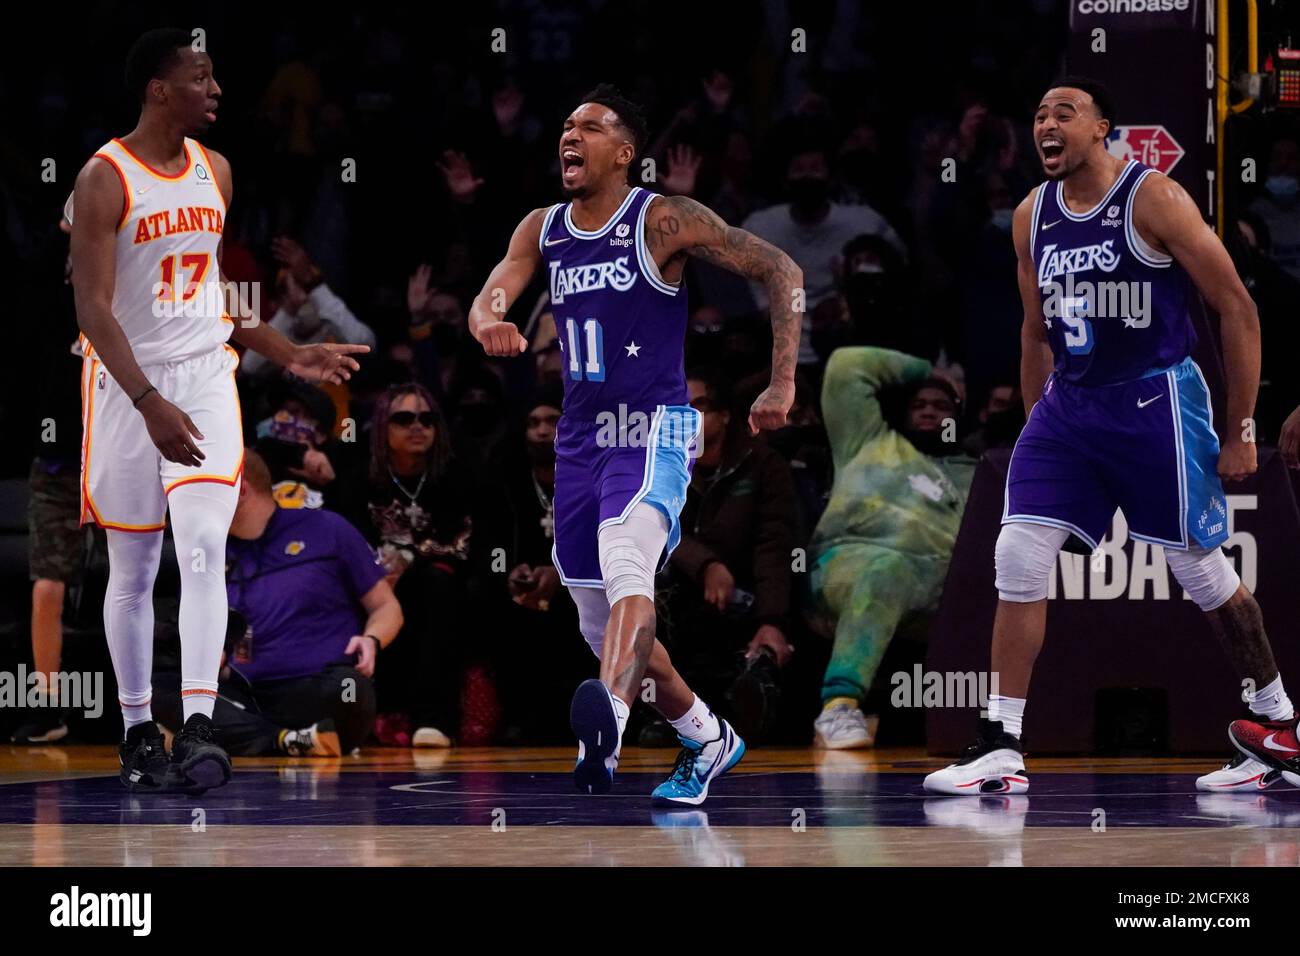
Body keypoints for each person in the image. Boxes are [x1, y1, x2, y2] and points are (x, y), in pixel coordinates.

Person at [925, 78, 1293, 796]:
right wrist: (1039, 423)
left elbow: (1236, 306)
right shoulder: (1031, 215)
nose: (1046, 125)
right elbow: (1034, 330)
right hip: (1071, 407)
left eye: (1065, 112)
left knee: (1199, 568)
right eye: (1037, 116)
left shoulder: (1152, 197)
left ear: (1102, 130)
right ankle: (1001, 741)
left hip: (1155, 398)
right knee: (1018, 550)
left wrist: (1240, 428)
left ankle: (1277, 721)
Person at [468, 84, 803, 804]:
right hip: (579, 441)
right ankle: (708, 736)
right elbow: (494, 290)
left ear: (625, 153)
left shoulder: (663, 220)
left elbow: (782, 269)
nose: (570, 135)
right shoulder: (542, 227)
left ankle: (609, 726)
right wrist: (489, 320)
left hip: (653, 430)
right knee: (612, 636)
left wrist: (780, 385)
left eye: (589, 126)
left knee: (629, 574)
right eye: (565, 124)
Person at [69, 29, 367, 794]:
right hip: (127, 382)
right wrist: (146, 401)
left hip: (204, 375)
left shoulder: (217, 171)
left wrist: (291, 351)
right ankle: (139, 730)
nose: (217, 89)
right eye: (202, 77)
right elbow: (93, 311)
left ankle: (198, 726)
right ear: (159, 90)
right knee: (134, 566)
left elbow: (211, 297)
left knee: (202, 548)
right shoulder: (104, 178)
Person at [154, 450, 400, 756]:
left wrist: (372, 639)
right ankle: (284, 740)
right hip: (243, 693)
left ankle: (243, 737)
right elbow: (196, 627)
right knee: (158, 688)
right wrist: (206, 653)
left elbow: (386, 607)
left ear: (239, 489)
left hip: (316, 691)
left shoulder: (327, 529)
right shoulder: (205, 552)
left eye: (203, 493)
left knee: (350, 688)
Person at [811, 348, 975, 747]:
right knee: (887, 570)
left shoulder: (976, 471)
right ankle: (839, 706)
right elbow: (846, 367)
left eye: (941, 405)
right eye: (919, 403)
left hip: (939, 588)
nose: (929, 410)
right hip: (849, 563)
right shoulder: (868, 439)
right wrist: (928, 370)